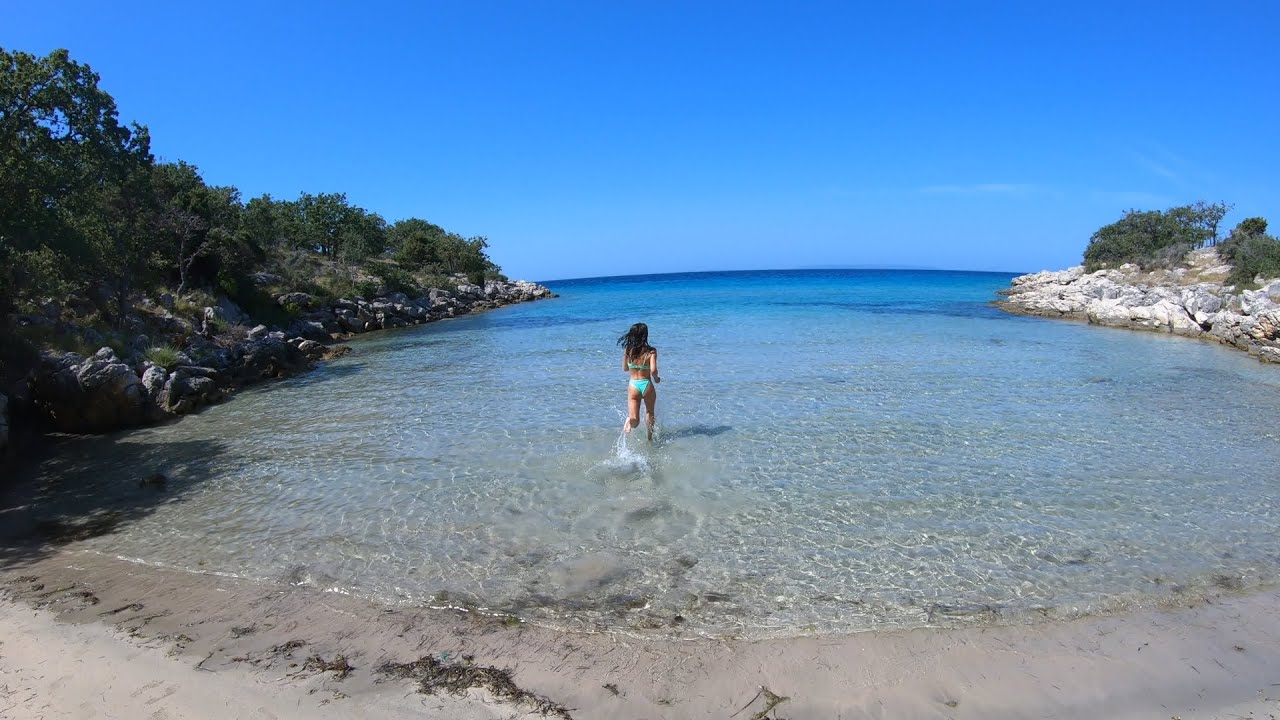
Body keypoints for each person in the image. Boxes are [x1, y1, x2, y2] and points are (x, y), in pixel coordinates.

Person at [617, 322, 660, 441]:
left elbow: (625, 368)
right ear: (645, 335)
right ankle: (649, 439)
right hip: (646, 384)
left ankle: (629, 421)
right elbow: (653, 370)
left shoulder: (628, 351)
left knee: (635, 419)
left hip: (633, 385)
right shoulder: (651, 351)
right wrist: (657, 379)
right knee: (650, 412)